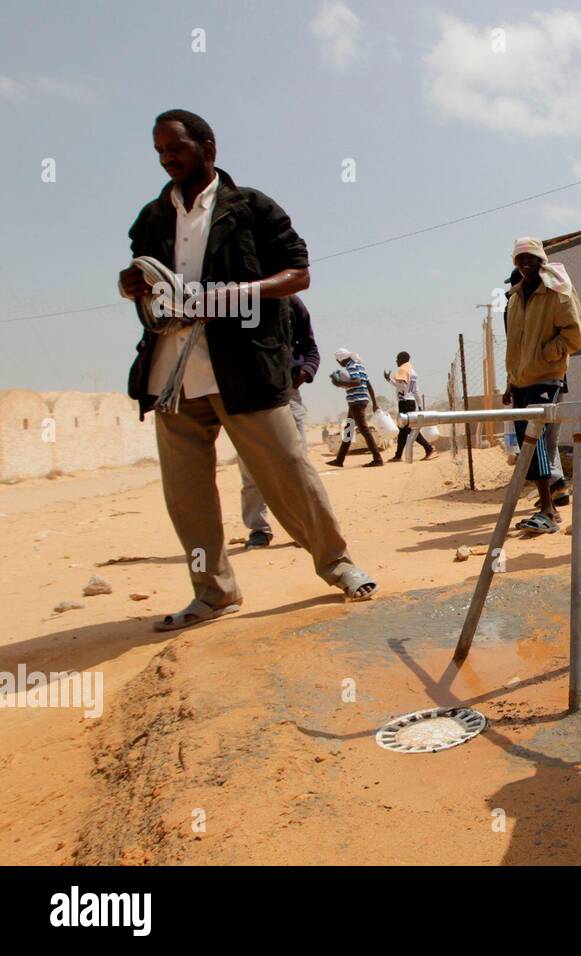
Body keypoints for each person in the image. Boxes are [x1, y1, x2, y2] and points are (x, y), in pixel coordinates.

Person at [117, 109, 378, 628]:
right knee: (187, 495)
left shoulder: (252, 207)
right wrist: (132, 283)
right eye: (159, 151)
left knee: (287, 472)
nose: (167, 158)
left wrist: (237, 294)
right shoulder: (151, 217)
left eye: (176, 148)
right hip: (173, 375)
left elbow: (298, 273)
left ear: (208, 147)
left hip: (245, 370)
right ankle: (213, 592)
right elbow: (140, 270)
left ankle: (338, 564)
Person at [503, 238, 581, 534]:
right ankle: (546, 505)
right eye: (520, 258)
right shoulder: (513, 298)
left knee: (535, 439)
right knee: (527, 441)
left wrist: (546, 355)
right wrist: (511, 380)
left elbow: (575, 335)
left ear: (541, 260)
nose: (525, 263)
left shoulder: (557, 292)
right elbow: (513, 345)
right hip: (521, 379)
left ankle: (548, 509)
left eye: (531, 258)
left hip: (547, 376)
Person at [237, 294, 318, 548]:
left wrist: (302, 375)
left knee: (296, 464)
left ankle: (304, 527)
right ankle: (259, 530)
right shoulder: (229, 299)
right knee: (251, 469)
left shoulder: (290, 302)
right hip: (243, 395)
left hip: (285, 394)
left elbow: (311, 350)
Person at [503, 266, 569, 505]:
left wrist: (545, 356)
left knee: (538, 438)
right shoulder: (514, 309)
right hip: (540, 379)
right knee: (543, 438)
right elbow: (515, 352)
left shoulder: (544, 302)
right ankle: (555, 488)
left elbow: (570, 334)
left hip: (543, 380)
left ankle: (552, 496)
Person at [326, 348, 383, 467]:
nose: (339, 363)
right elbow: (368, 385)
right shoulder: (360, 366)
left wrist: (340, 383)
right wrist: (374, 402)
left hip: (356, 402)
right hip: (360, 401)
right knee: (349, 429)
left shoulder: (351, 367)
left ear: (342, 359)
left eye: (338, 361)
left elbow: (356, 382)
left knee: (364, 430)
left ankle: (377, 458)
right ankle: (339, 460)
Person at [384, 351, 434, 462]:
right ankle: (398, 455)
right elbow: (415, 390)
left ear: (402, 359)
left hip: (405, 403)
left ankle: (428, 448)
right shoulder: (412, 371)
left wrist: (390, 380)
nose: (396, 361)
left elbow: (401, 387)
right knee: (403, 430)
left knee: (409, 429)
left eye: (397, 358)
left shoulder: (402, 370)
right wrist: (420, 404)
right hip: (411, 402)